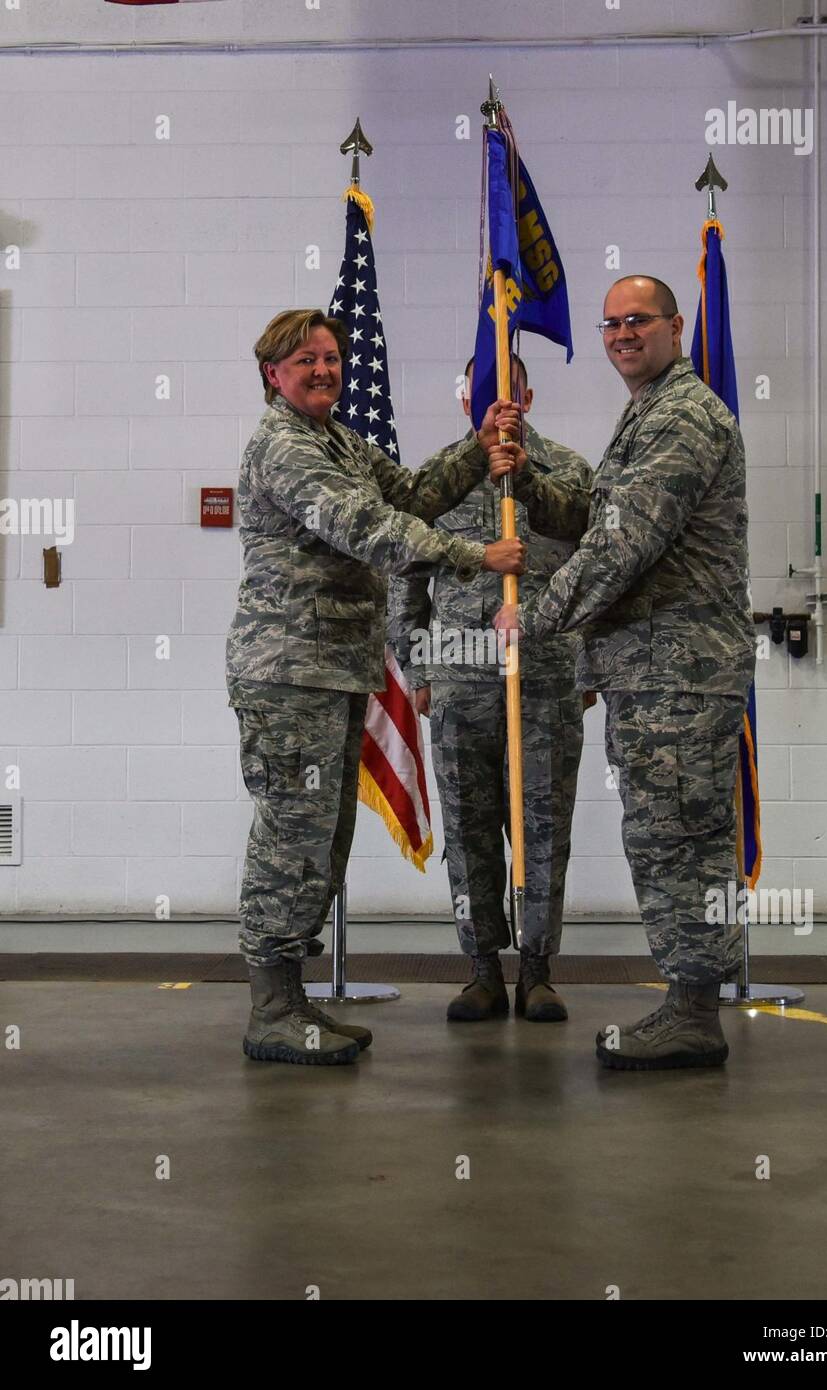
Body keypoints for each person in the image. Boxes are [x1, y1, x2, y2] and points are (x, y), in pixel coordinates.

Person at [226, 308, 524, 1067]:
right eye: (305, 362)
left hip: (330, 670)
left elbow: (411, 493)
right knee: (292, 841)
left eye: (330, 358)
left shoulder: (339, 442)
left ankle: (294, 1004)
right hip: (289, 671)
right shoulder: (285, 448)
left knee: (323, 841)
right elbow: (367, 526)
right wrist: (474, 556)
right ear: (273, 375)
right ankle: (271, 1009)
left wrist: (478, 445)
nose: (323, 371)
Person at [491, 276, 755, 1071]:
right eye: (610, 324)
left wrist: (531, 616)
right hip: (651, 670)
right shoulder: (646, 412)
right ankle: (688, 1002)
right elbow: (595, 517)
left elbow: (621, 546)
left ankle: (693, 1011)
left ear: (676, 326)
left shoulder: (682, 416)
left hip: (677, 668)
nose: (621, 333)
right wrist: (526, 478)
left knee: (679, 838)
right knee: (667, 835)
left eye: (637, 320)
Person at [388, 356, 594, 1023]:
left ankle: (537, 970)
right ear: (464, 398)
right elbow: (405, 576)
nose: (498, 400)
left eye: (510, 386)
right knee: (470, 829)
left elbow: (599, 569)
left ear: (529, 394)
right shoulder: (437, 479)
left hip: (546, 676)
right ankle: (481, 967)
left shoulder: (566, 471)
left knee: (542, 830)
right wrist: (417, 669)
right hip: (458, 678)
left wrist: (587, 668)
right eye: (483, 389)